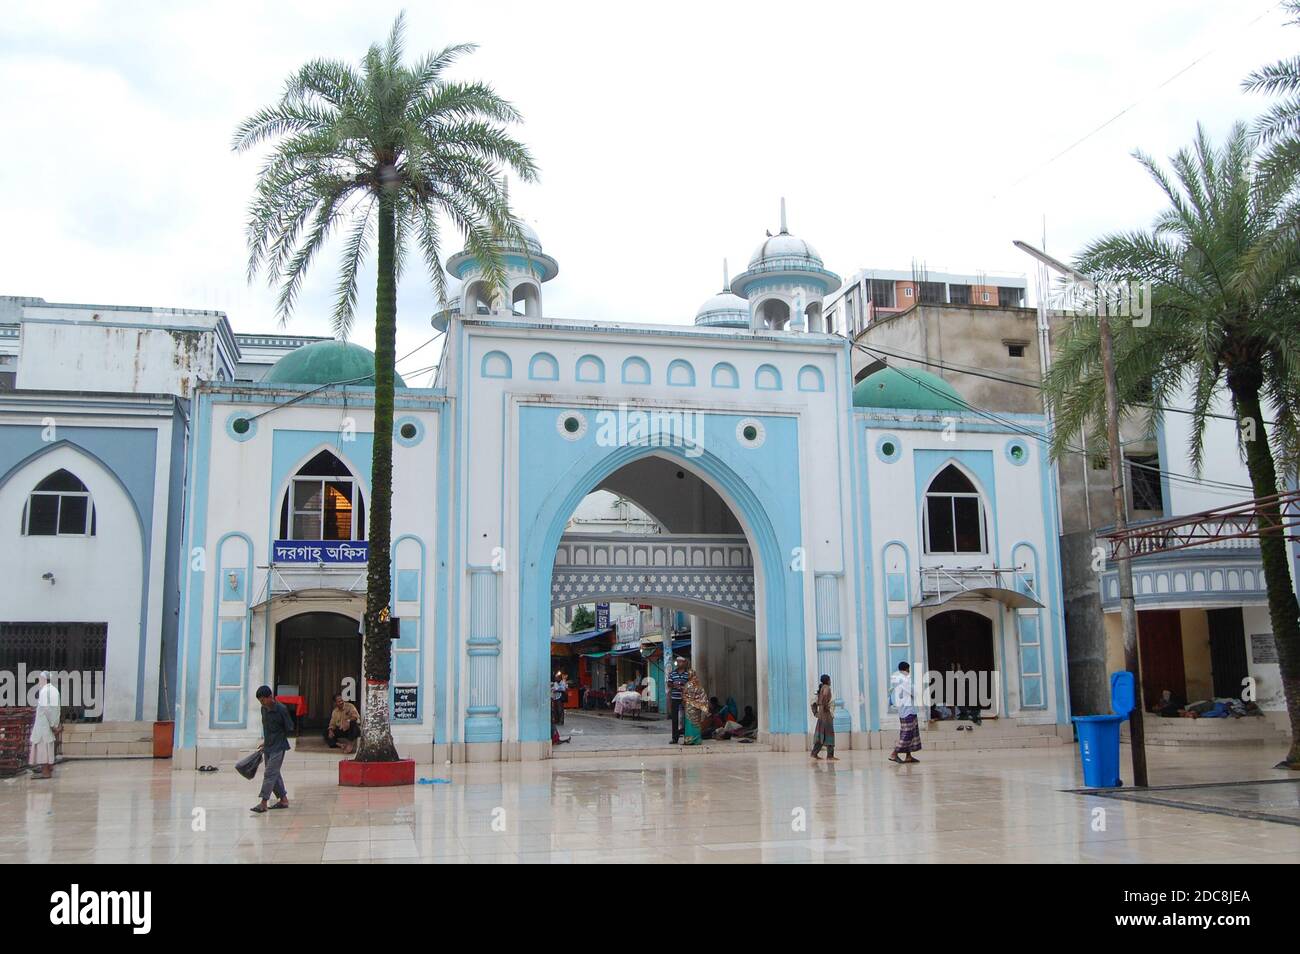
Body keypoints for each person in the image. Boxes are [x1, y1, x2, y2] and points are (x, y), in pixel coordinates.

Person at [251, 685, 292, 813]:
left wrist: (277, 736)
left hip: (279, 746)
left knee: (269, 773)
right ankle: (283, 799)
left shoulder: (281, 709)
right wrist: (265, 742)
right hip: (269, 746)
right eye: (260, 701)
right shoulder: (263, 709)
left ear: (270, 697)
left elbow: (289, 727)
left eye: (263, 700)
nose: (262, 703)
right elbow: (266, 728)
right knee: (274, 774)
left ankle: (263, 802)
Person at [28, 671, 61, 780]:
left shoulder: (44, 691)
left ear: (45, 680)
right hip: (48, 725)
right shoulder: (55, 690)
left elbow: (47, 709)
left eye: (40, 679)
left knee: (42, 748)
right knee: (48, 747)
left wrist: (52, 725)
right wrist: (55, 724)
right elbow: (56, 710)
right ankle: (49, 769)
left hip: (43, 726)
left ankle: (45, 772)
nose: (39, 682)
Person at [889, 662, 921, 764]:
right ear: (906, 669)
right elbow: (914, 692)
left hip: (905, 710)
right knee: (907, 733)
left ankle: (908, 756)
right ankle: (894, 754)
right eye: (908, 669)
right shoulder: (904, 680)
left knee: (912, 733)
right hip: (907, 711)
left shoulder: (897, 679)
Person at [810, 673, 837, 761]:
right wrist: (825, 706)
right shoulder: (826, 688)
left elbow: (813, 702)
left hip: (821, 715)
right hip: (826, 715)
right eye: (829, 679)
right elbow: (825, 697)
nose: (830, 681)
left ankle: (814, 754)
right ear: (827, 680)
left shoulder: (820, 689)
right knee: (829, 734)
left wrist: (816, 713)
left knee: (821, 735)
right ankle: (830, 755)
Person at [681, 669, 709, 745]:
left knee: (689, 722)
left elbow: (684, 695)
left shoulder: (687, 684)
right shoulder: (698, 684)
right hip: (697, 706)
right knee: (696, 723)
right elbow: (703, 696)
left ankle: (689, 740)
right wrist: (700, 704)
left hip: (689, 706)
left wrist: (688, 701)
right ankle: (697, 740)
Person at [666, 657, 691, 744]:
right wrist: (674, 685)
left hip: (685, 699)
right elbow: (669, 683)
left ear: (684, 663)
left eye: (680, 662)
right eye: (677, 662)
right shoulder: (672, 673)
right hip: (675, 698)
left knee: (686, 718)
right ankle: (674, 738)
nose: (678, 663)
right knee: (675, 719)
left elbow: (691, 685)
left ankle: (686, 737)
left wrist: (684, 686)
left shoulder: (688, 674)